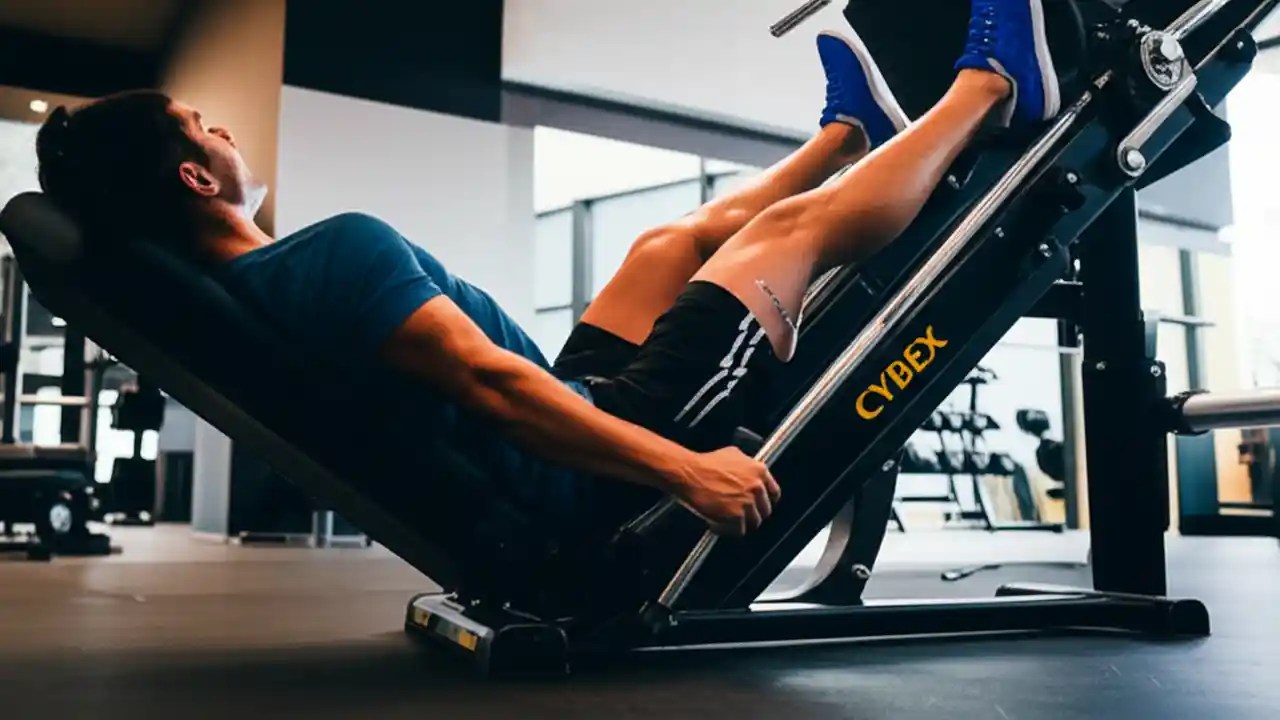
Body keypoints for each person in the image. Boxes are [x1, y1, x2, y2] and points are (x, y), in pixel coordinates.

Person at [32, 0, 1061, 540]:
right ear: (192, 174)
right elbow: (488, 384)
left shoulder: (266, 285)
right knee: (782, 238)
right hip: (593, 471)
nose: (224, 132)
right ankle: (991, 89)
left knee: (661, 249)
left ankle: (848, 134)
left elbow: (491, 389)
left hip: (569, 419)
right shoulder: (326, 256)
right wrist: (683, 470)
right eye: (205, 126)